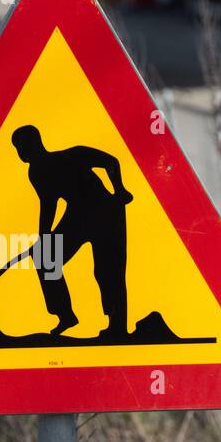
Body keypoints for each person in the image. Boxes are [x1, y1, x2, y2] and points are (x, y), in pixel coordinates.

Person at [10, 124, 132, 338]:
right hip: (77, 215)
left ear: (35, 143)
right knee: (44, 256)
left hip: (105, 212)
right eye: (17, 148)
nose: (20, 152)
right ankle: (65, 314)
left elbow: (111, 161)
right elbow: (48, 204)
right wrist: (43, 237)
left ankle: (117, 325)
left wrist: (119, 189)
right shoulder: (36, 172)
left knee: (107, 271)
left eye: (22, 146)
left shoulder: (73, 155)